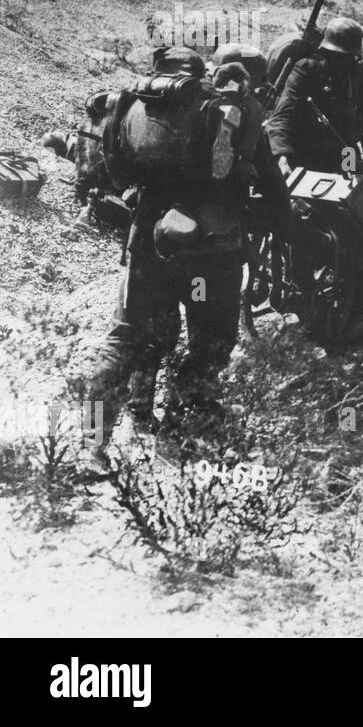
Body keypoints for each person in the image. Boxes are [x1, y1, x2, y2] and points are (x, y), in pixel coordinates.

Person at [80, 47, 293, 465]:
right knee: (209, 342)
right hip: (210, 256)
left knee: (125, 340)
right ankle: (174, 437)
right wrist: (287, 230)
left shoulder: (131, 107)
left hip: (150, 246)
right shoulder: (234, 114)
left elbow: (113, 174)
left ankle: (91, 445)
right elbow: (273, 191)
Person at [266, 17, 363, 178]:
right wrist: (282, 156)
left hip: (346, 150)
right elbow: (283, 116)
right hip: (308, 152)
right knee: (307, 196)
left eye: (348, 56)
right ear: (327, 51)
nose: (343, 61)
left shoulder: (358, 71)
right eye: (338, 56)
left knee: (354, 190)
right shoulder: (307, 68)